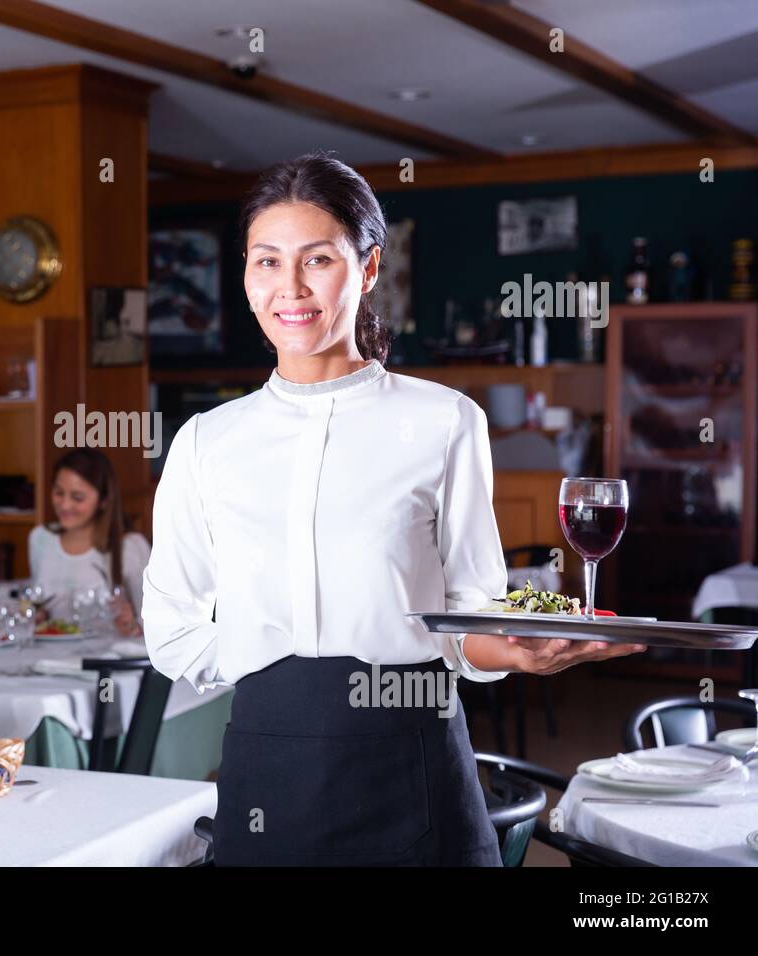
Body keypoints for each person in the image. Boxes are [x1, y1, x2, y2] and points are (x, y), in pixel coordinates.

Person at [141, 151, 646, 867]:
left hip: (412, 763)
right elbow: (170, 625)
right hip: (265, 768)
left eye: (317, 260)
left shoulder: (445, 421)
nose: (290, 287)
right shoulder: (205, 442)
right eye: (266, 261)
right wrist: (273, 665)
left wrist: (520, 650)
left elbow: (467, 616)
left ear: (369, 268)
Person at [28, 448, 149, 636]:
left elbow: (156, 628)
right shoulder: (41, 539)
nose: (65, 505)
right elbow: (40, 605)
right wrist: (37, 617)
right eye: (59, 493)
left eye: (78, 497)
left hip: (109, 660)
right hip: (49, 661)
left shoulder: (131, 547)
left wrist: (132, 626)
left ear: (104, 499)